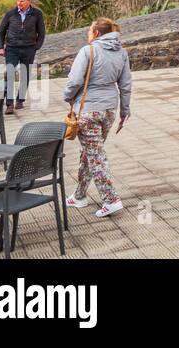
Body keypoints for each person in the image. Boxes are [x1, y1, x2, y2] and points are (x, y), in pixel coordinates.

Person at [62, 17, 132, 218]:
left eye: (89, 31)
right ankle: (79, 195)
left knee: (95, 155)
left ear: (97, 33)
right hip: (109, 109)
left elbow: (75, 80)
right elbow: (126, 84)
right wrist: (124, 111)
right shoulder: (122, 52)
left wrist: (66, 96)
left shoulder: (88, 51)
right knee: (90, 153)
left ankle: (111, 200)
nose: (88, 34)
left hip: (89, 110)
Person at [0, 0, 45, 113]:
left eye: (22, 1)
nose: (19, 3)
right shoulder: (10, 14)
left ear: (29, 2)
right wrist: (0, 47)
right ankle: (9, 104)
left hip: (29, 49)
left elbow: (41, 32)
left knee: (25, 75)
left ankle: (20, 101)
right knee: (10, 75)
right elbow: (0, 32)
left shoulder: (37, 14)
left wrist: (36, 47)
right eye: (18, 1)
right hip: (12, 48)